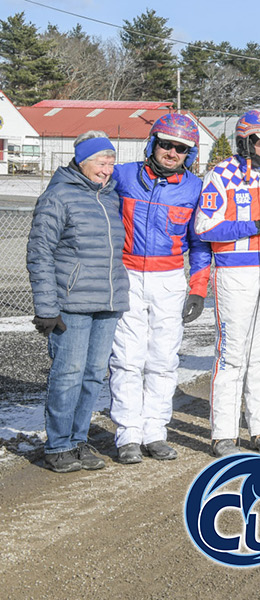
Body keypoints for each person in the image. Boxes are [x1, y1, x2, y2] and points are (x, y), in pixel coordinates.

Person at [108, 114, 210, 465]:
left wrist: (198, 289)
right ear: (153, 144)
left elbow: (200, 244)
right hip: (127, 276)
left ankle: (154, 432)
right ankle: (128, 435)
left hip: (169, 280)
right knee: (127, 359)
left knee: (163, 360)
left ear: (189, 154)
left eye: (180, 148)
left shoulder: (195, 189)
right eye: (166, 144)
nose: (171, 152)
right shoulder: (123, 176)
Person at [27, 132, 128, 473]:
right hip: (71, 303)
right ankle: (58, 445)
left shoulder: (110, 196)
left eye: (111, 163)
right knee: (68, 374)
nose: (107, 170)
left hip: (107, 301)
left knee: (94, 375)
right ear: (83, 162)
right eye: (101, 162)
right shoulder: (58, 196)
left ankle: (79, 439)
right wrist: (46, 308)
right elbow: (40, 252)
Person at [194, 109, 260, 457]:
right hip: (235, 275)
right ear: (245, 142)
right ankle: (223, 435)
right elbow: (204, 227)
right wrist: (252, 226)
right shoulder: (221, 174)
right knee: (232, 356)